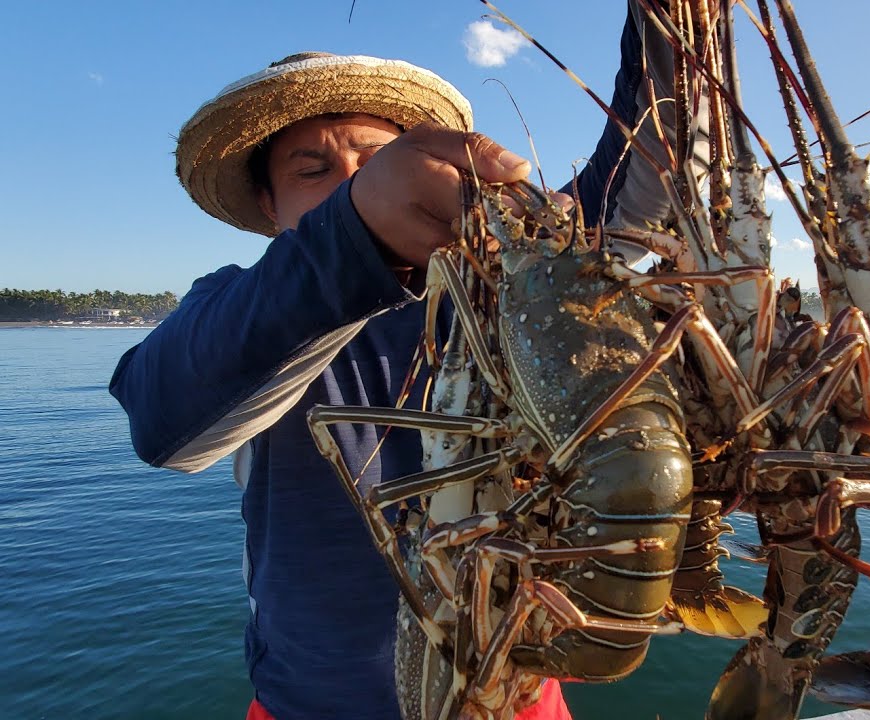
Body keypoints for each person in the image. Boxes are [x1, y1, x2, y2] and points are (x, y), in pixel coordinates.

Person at [109, 4, 703, 719]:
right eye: (314, 171)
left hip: (521, 690)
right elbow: (163, 421)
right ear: (269, 206)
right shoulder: (244, 307)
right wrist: (352, 235)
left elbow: (636, 188)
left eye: (374, 161)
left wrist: (670, 27)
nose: (350, 180)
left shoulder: (516, 284)